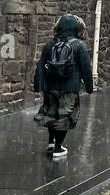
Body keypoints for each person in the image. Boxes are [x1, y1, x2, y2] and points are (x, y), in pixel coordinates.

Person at [32, 12, 94, 160]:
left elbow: (40, 66)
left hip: (50, 86)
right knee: (64, 116)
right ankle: (58, 148)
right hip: (69, 88)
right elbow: (86, 69)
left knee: (51, 113)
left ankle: (51, 142)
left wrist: (38, 85)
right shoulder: (79, 46)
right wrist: (90, 87)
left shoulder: (49, 45)